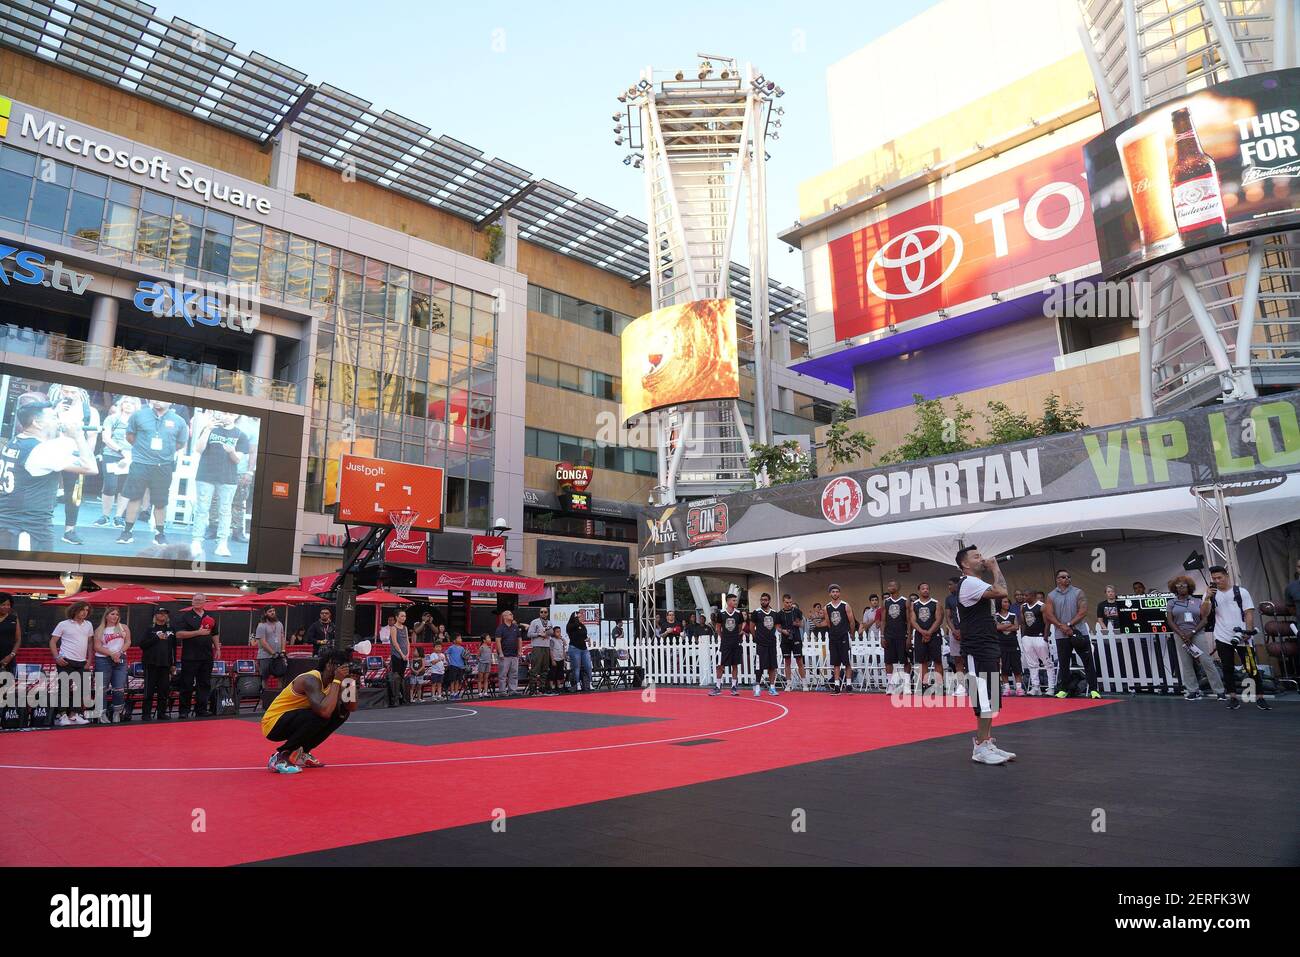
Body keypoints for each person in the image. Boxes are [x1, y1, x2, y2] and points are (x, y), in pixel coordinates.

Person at [0, 401, 98, 553]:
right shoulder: (42, 450)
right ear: (37, 423)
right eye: (53, 417)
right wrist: (79, 437)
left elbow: (55, 447)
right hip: (26, 528)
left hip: (13, 523)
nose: (58, 421)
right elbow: (91, 467)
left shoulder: (16, 441)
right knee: (28, 575)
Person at [954, 546, 1016, 765]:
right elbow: (1002, 591)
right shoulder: (969, 582)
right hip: (976, 648)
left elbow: (999, 591)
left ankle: (987, 742)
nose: (981, 559)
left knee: (993, 697)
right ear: (965, 564)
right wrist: (995, 566)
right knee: (983, 698)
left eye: (981, 556)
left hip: (987, 644)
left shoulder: (977, 583)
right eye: (976, 557)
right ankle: (980, 747)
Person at [261, 648, 357, 774]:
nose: (344, 670)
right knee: (320, 715)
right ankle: (281, 756)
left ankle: (302, 752)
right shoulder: (310, 679)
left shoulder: (334, 682)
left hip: (295, 719)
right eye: (341, 666)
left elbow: (350, 707)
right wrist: (337, 681)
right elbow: (324, 712)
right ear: (329, 665)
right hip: (273, 723)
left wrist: (351, 683)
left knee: (341, 713)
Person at [116, 399, 190, 547]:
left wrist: (164, 452)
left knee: (160, 501)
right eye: (154, 398)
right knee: (134, 497)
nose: (157, 401)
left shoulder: (179, 421)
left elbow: (180, 443)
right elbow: (130, 437)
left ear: (171, 402)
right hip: (140, 463)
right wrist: (143, 451)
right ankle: (127, 531)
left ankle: (160, 534)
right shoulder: (138, 415)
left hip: (163, 465)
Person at [1199, 564, 1270, 711]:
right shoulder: (1210, 594)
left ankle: (1260, 697)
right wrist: (1207, 598)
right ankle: (1232, 697)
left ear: (1227, 576)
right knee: (1227, 668)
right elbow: (1204, 614)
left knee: (1251, 668)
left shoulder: (1241, 592)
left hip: (1242, 635)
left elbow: (1249, 613)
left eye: (1219, 577)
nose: (1217, 581)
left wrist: (1248, 632)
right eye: (1214, 578)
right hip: (1222, 636)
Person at [190, 410, 249, 558]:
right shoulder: (210, 428)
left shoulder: (241, 435)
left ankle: (222, 544)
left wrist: (231, 452)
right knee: (202, 508)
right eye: (223, 413)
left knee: (225, 511)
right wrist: (208, 429)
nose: (226, 416)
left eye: (230, 413)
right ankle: (196, 541)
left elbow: (237, 460)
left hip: (228, 477)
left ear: (236, 416)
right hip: (205, 474)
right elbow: (198, 449)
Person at [1165, 575, 1225, 701]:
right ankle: (1193, 690)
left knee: (1206, 661)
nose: (1181, 587)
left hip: (1197, 634)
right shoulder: (1171, 603)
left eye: (1184, 585)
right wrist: (1182, 634)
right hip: (1180, 635)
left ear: (1189, 587)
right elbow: (1170, 621)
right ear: (1174, 588)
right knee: (1186, 663)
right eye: (1178, 585)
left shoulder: (1198, 601)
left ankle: (1219, 691)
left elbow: (1204, 620)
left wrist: (1192, 633)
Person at [1045, 569, 1099, 699]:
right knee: (1064, 663)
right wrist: (1060, 626)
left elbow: (1083, 611)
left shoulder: (1078, 592)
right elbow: (1049, 614)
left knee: (1088, 661)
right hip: (1061, 633)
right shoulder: (1051, 595)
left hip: (1079, 632)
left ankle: (1093, 690)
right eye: (1063, 577)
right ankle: (1064, 689)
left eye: (1069, 577)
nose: (1067, 579)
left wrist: (1068, 625)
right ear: (1058, 580)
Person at [94, 396, 137, 529]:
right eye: (126, 402)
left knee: (125, 487)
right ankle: (105, 516)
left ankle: (118, 517)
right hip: (111, 454)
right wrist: (121, 451)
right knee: (110, 485)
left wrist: (129, 456)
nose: (128, 405)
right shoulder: (112, 419)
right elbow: (106, 438)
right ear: (121, 405)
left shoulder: (138, 422)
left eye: (132, 403)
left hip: (131, 456)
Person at [174, 593, 220, 717]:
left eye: (200, 600)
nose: (197, 602)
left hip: (206, 656)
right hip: (190, 656)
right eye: (195, 600)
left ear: (205, 601)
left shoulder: (210, 616)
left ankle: (201, 709)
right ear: (192, 602)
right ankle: (184, 711)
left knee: (204, 684)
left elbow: (214, 634)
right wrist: (197, 632)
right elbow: (179, 634)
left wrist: (217, 649)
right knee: (187, 684)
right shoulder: (185, 616)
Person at [50, 602, 93, 726]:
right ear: (74, 610)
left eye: (86, 610)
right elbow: (52, 642)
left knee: (82, 689)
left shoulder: (88, 625)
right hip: (66, 660)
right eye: (82, 610)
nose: (85, 612)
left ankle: (74, 715)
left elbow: (90, 643)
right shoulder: (63, 624)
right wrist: (57, 657)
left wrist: (89, 659)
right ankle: (62, 716)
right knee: (64, 688)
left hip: (82, 662)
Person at [92, 606, 131, 723]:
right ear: (107, 616)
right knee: (101, 688)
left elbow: (128, 641)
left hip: (120, 659)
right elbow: (97, 647)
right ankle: (101, 714)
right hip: (103, 660)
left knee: (119, 688)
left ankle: (117, 712)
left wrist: (119, 653)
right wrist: (111, 654)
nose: (115, 616)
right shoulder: (100, 630)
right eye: (112, 614)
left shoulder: (123, 627)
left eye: (117, 614)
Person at [137, 607, 176, 720]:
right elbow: (142, 645)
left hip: (165, 664)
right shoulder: (150, 629)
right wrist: (156, 638)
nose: (162, 615)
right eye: (160, 613)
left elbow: (173, 648)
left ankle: (161, 713)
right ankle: (146, 714)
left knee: (163, 690)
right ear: (155, 616)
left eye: (165, 613)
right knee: (149, 690)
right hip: (151, 664)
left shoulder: (171, 630)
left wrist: (173, 663)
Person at [710, 593, 747, 696]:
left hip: (735, 643)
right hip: (725, 643)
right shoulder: (721, 614)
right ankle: (718, 686)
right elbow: (718, 628)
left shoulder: (738, 614)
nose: (736, 602)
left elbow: (739, 628)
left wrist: (735, 637)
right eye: (734, 600)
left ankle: (734, 687)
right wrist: (724, 638)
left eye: (736, 601)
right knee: (720, 665)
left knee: (734, 665)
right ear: (728, 601)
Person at [1018, 590, 1054, 696]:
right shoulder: (1023, 607)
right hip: (1028, 637)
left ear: (1033, 596)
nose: (1024, 597)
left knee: (1047, 663)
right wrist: (1023, 636)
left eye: (1026, 595)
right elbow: (1023, 623)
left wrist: (1045, 637)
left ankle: (1051, 687)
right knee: (1032, 663)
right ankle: (1035, 687)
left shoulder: (1042, 606)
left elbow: (1047, 622)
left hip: (1039, 637)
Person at [824, 584, 857, 694]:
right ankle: (837, 686)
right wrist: (834, 631)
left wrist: (851, 633)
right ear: (830, 593)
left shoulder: (845, 605)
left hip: (844, 635)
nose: (835, 593)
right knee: (836, 662)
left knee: (846, 661)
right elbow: (828, 623)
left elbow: (851, 621)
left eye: (837, 591)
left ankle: (848, 685)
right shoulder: (827, 607)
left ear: (839, 593)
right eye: (833, 592)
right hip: (833, 637)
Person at [910, 582, 943, 693]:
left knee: (937, 660)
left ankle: (939, 685)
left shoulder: (936, 603)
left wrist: (929, 632)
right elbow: (913, 620)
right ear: (919, 590)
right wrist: (922, 632)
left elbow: (939, 620)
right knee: (922, 660)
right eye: (923, 588)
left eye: (927, 588)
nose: (925, 590)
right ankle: (925, 684)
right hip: (920, 634)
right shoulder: (914, 604)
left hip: (934, 635)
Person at [749, 593, 781, 697]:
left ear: (769, 600)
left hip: (771, 643)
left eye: (765, 600)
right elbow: (751, 627)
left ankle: (772, 687)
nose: (763, 601)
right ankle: (757, 688)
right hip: (761, 644)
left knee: (772, 666)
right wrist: (756, 637)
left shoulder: (774, 613)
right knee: (759, 666)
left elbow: (776, 626)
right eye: (762, 599)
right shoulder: (756, 612)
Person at [881, 581, 909, 693]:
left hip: (902, 634)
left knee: (905, 661)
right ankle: (890, 685)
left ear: (898, 587)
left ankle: (906, 685)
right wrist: (882, 636)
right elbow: (883, 620)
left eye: (892, 585)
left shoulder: (905, 601)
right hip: (889, 634)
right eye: (889, 585)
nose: (890, 587)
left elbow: (909, 620)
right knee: (888, 661)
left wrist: (909, 635)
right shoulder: (886, 602)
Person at [994, 597, 1024, 697]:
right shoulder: (996, 616)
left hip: (1013, 643)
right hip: (1001, 644)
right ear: (1000, 603)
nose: (1007, 604)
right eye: (1005, 602)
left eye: (1008, 602)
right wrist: (1009, 625)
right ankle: (1006, 688)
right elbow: (996, 627)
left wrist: (1003, 626)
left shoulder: (1012, 615)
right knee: (1004, 666)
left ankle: (1019, 688)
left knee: (1016, 666)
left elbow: (1016, 627)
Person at [944, 578, 967, 696]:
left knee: (970, 659)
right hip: (955, 632)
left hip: (968, 632)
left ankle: (975, 685)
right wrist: (954, 630)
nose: (949, 587)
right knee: (957, 659)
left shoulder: (966, 595)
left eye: (950, 584)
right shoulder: (949, 599)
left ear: (958, 585)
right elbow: (948, 617)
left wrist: (964, 630)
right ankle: (961, 686)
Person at [383, 611, 412, 704]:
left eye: (405, 616)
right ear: (397, 617)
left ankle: (403, 697)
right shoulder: (393, 628)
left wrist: (407, 653)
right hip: (396, 655)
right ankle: (395, 697)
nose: (404, 618)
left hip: (405, 655)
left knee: (402, 676)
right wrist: (401, 654)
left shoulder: (405, 628)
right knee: (396, 676)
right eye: (402, 616)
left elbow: (407, 641)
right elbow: (395, 643)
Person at [778, 594, 805, 690]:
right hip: (785, 640)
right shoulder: (779, 613)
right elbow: (777, 627)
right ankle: (788, 684)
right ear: (783, 602)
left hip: (796, 638)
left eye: (790, 602)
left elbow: (801, 624)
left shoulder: (797, 611)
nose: (789, 604)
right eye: (787, 602)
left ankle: (804, 683)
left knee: (799, 661)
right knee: (787, 661)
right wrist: (783, 631)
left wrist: (796, 623)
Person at [255, 608, 285, 681]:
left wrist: (283, 650)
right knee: (264, 678)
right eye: (270, 611)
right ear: (265, 614)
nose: (272, 613)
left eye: (274, 611)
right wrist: (273, 653)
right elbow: (263, 642)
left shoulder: (279, 624)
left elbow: (282, 637)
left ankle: (280, 692)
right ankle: (264, 692)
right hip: (265, 657)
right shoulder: (261, 626)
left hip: (278, 656)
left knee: (280, 677)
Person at [495, 611, 522, 694]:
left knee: (514, 673)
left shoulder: (515, 627)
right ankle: (502, 691)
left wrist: (519, 651)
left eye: (512, 614)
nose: (512, 615)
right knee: (503, 674)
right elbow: (498, 640)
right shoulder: (500, 628)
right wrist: (500, 652)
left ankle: (512, 690)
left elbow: (519, 639)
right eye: (510, 614)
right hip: (505, 655)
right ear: (505, 617)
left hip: (514, 654)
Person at [526, 609, 552, 694]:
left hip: (546, 646)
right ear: (539, 613)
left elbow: (551, 632)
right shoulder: (535, 622)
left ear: (547, 613)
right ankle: (532, 689)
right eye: (541, 612)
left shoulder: (549, 622)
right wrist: (539, 634)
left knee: (545, 668)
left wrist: (548, 634)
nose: (543, 613)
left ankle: (542, 687)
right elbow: (529, 634)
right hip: (537, 646)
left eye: (545, 612)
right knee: (535, 668)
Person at [566, 613, 592, 692]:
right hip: (574, 648)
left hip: (584, 649)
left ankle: (589, 683)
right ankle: (577, 684)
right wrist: (576, 619)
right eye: (580, 617)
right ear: (575, 617)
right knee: (576, 667)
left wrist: (588, 639)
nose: (581, 618)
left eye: (581, 616)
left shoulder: (582, 625)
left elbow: (584, 636)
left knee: (588, 666)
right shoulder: (570, 625)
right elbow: (571, 629)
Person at [0, 592, 22, 679]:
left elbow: (18, 639)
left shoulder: (14, 618)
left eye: (8, 605)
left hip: (8, 660)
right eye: (3, 604)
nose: (6, 607)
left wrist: (11, 656)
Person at [446, 635, 467, 699]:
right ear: (454, 640)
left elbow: (464, 657)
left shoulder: (462, 648)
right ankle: (452, 693)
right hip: (453, 666)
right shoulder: (451, 648)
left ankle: (456, 693)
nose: (461, 639)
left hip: (460, 666)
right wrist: (449, 662)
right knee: (452, 680)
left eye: (461, 638)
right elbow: (446, 654)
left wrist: (466, 657)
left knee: (458, 680)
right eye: (459, 638)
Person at [548, 626, 567, 694]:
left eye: (560, 632)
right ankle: (551, 687)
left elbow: (563, 650)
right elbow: (551, 650)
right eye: (557, 632)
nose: (559, 633)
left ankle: (559, 687)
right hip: (555, 659)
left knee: (560, 674)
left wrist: (564, 659)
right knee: (552, 674)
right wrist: (552, 660)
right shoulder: (552, 640)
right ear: (554, 633)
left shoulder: (561, 640)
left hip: (561, 659)